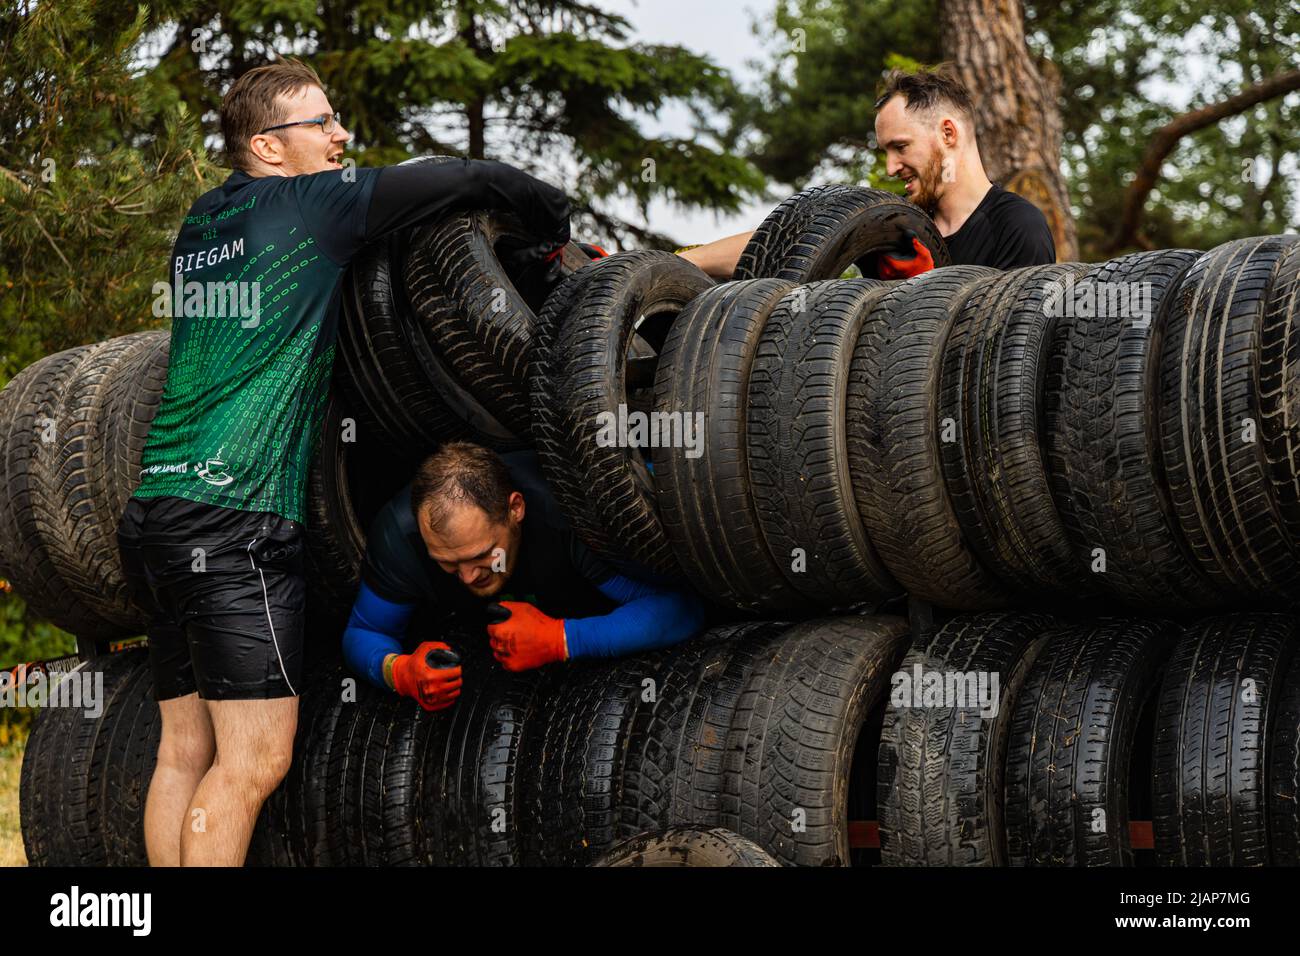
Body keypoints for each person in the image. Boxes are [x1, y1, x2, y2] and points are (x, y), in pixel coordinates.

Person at [115, 57, 571, 866]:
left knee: (184, 753)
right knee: (253, 762)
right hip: (236, 520)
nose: (340, 135)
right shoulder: (313, 204)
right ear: (267, 145)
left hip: (156, 513)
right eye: (320, 123)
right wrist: (551, 215)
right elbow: (463, 179)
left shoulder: (204, 221)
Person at [342, 442, 706, 711]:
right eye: (447, 563)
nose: (467, 576)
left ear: (515, 509)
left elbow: (683, 607)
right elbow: (364, 631)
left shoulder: (568, 513)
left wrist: (561, 639)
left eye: (482, 555)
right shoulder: (400, 538)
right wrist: (400, 672)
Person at [679, 65, 1056, 279]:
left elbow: (1012, 362)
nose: (890, 167)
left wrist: (926, 291)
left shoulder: (1017, 227)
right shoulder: (894, 223)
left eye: (900, 147)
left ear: (947, 133)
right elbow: (783, 241)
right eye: (885, 151)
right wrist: (675, 264)